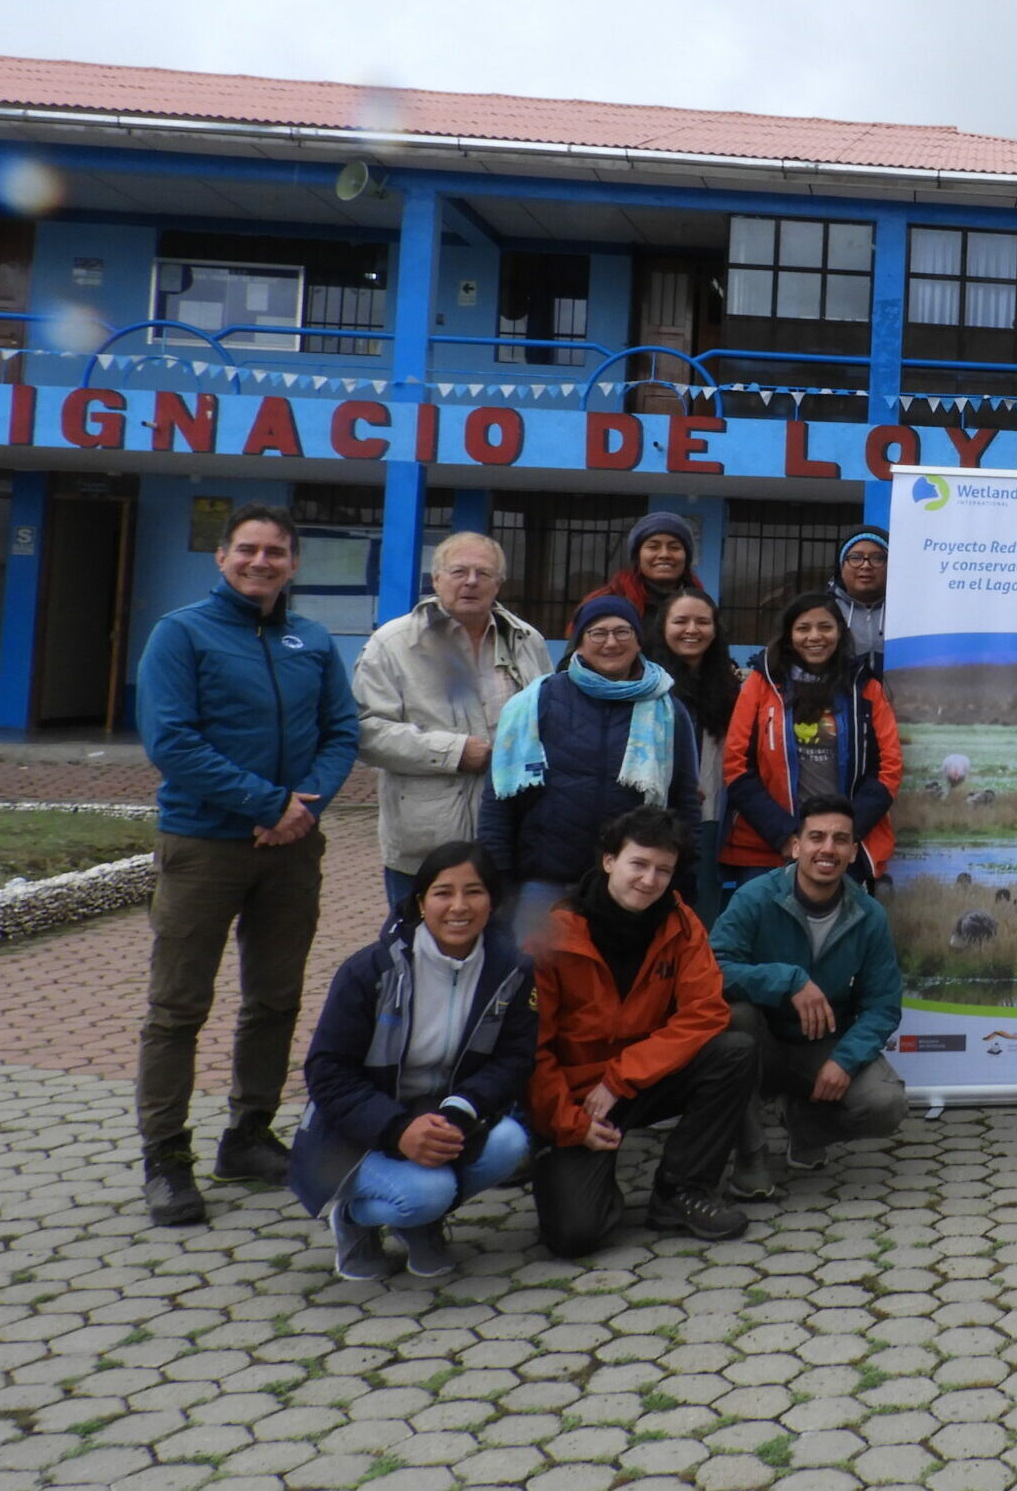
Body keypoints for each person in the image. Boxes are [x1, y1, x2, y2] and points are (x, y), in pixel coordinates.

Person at [134, 503, 359, 1226]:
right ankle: (166, 1157)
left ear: (293, 562)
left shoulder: (313, 639)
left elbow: (342, 729)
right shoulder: (182, 633)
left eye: (276, 553)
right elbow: (172, 740)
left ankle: (249, 1132)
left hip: (292, 850)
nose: (261, 563)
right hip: (205, 845)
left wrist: (304, 810)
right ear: (221, 557)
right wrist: (267, 803)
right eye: (248, 550)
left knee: (275, 999)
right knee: (178, 1008)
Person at [290, 841, 536, 1280]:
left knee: (509, 1143)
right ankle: (353, 1220)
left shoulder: (511, 970)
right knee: (426, 1192)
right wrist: (398, 1129)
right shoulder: (370, 970)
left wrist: (461, 1111)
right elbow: (326, 1073)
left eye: (474, 891)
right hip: (356, 1129)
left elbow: (514, 1059)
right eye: (443, 892)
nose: (458, 906)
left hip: (444, 1116)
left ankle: (423, 1221)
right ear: (421, 903)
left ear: (493, 901)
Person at [528, 807, 757, 1256]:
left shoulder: (681, 924)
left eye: (663, 870)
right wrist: (571, 1125)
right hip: (577, 1097)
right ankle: (578, 1176)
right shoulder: (551, 937)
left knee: (734, 1050)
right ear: (609, 860)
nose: (650, 880)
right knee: (574, 1236)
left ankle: (681, 1191)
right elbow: (532, 1051)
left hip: (639, 1079)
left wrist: (620, 1078)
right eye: (639, 864)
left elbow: (706, 1011)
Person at [711, 795, 909, 1199]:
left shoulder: (869, 915)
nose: (828, 849)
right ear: (796, 845)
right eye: (816, 837)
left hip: (821, 1045)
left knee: (885, 1103)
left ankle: (801, 1122)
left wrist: (845, 1060)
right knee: (735, 1017)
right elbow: (711, 970)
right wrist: (786, 980)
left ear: (854, 851)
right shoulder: (754, 898)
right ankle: (751, 1157)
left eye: (840, 840)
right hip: (759, 1041)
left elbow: (883, 1004)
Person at [480, 596, 703, 943]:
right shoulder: (535, 703)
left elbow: (685, 801)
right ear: (579, 642)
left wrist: (684, 882)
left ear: (639, 639)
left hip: (632, 888)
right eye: (597, 633)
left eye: (622, 632)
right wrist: (500, 880)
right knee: (535, 988)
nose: (611, 642)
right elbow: (500, 799)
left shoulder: (668, 710)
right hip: (546, 883)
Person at [356, 532, 552, 907]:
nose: (472, 581)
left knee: (504, 952)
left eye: (484, 573)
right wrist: (454, 752)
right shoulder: (393, 644)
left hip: (510, 839)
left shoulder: (528, 642)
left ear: (499, 583)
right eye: (459, 571)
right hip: (427, 844)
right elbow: (367, 732)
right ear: (436, 579)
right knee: (416, 949)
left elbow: (547, 723)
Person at [721, 592, 903, 888]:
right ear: (789, 635)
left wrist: (843, 833)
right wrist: (786, 834)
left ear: (840, 633)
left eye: (825, 627)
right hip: (768, 846)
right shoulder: (762, 682)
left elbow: (888, 768)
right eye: (803, 628)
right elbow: (736, 765)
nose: (815, 636)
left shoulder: (864, 686)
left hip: (840, 853)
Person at [646, 585, 742, 924]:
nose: (691, 630)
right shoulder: (646, 682)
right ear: (663, 627)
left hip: (715, 814)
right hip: (659, 814)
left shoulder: (732, 684)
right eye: (681, 621)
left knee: (703, 916)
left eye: (702, 622)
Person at [583, 510, 706, 617]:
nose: (664, 554)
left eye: (674, 547)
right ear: (637, 556)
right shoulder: (606, 605)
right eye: (653, 547)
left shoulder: (700, 605)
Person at [831, 525, 888, 672]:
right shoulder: (825, 609)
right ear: (841, 566)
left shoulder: (910, 611)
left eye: (877, 558)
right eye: (855, 558)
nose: (866, 565)